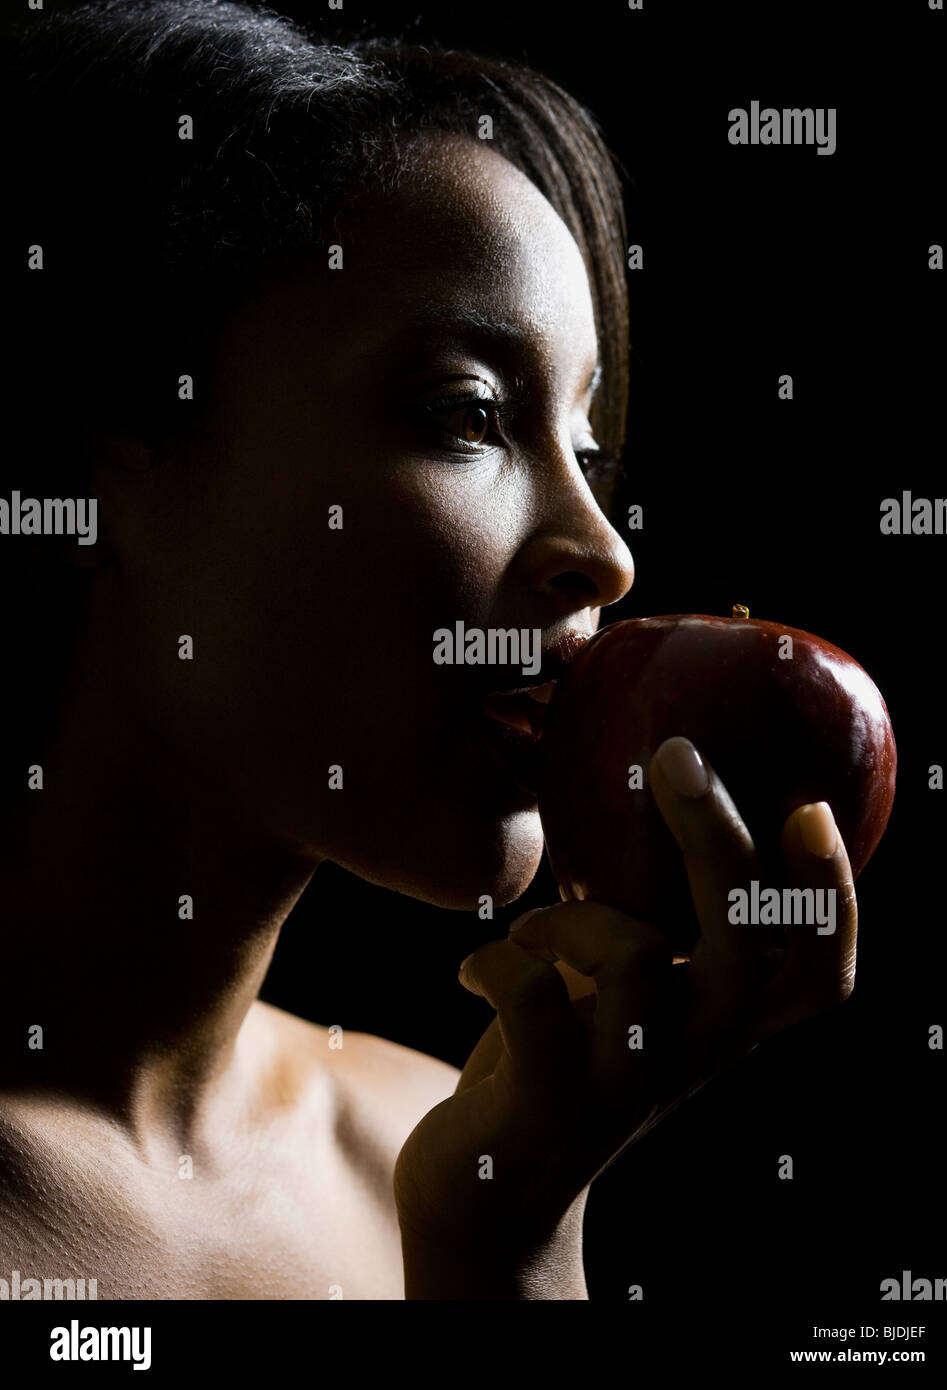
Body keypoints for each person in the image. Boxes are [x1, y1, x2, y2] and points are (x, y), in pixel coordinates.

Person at [1, 0, 856, 1300]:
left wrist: (511, 1258)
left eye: (590, 450)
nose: (605, 556)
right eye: (468, 413)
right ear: (90, 475)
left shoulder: (446, 1151)